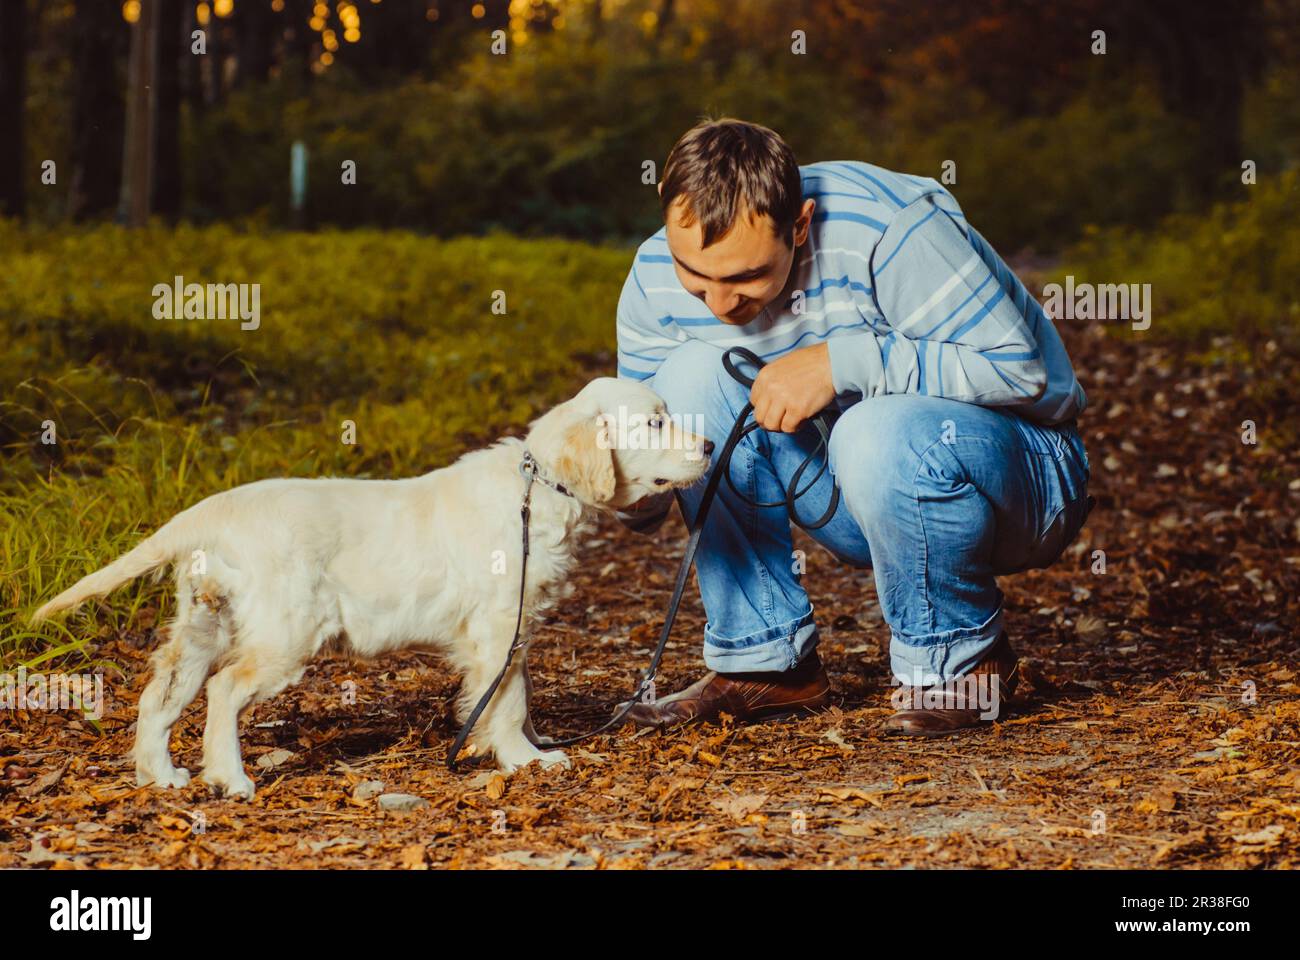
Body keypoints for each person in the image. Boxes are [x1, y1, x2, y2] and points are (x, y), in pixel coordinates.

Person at [614, 118, 1090, 735]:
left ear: (801, 224)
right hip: (856, 495)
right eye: (695, 276)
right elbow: (642, 469)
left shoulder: (890, 229)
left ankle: (961, 665)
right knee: (687, 379)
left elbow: (1021, 372)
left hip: (1026, 479)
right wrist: (628, 487)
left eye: (745, 278)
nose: (719, 305)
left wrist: (843, 362)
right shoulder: (654, 276)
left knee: (874, 426)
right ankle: (766, 665)